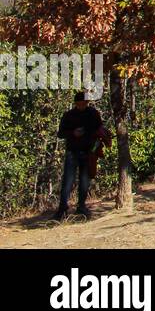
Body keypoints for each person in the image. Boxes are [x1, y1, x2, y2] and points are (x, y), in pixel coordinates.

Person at [54, 91, 105, 220]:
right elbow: (60, 133)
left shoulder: (93, 114)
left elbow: (100, 129)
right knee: (68, 181)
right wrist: (73, 133)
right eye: (79, 104)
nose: (81, 106)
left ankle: (81, 206)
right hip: (72, 151)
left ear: (87, 103)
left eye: (84, 103)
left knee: (84, 180)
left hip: (88, 151)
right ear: (75, 103)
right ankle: (62, 208)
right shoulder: (69, 115)